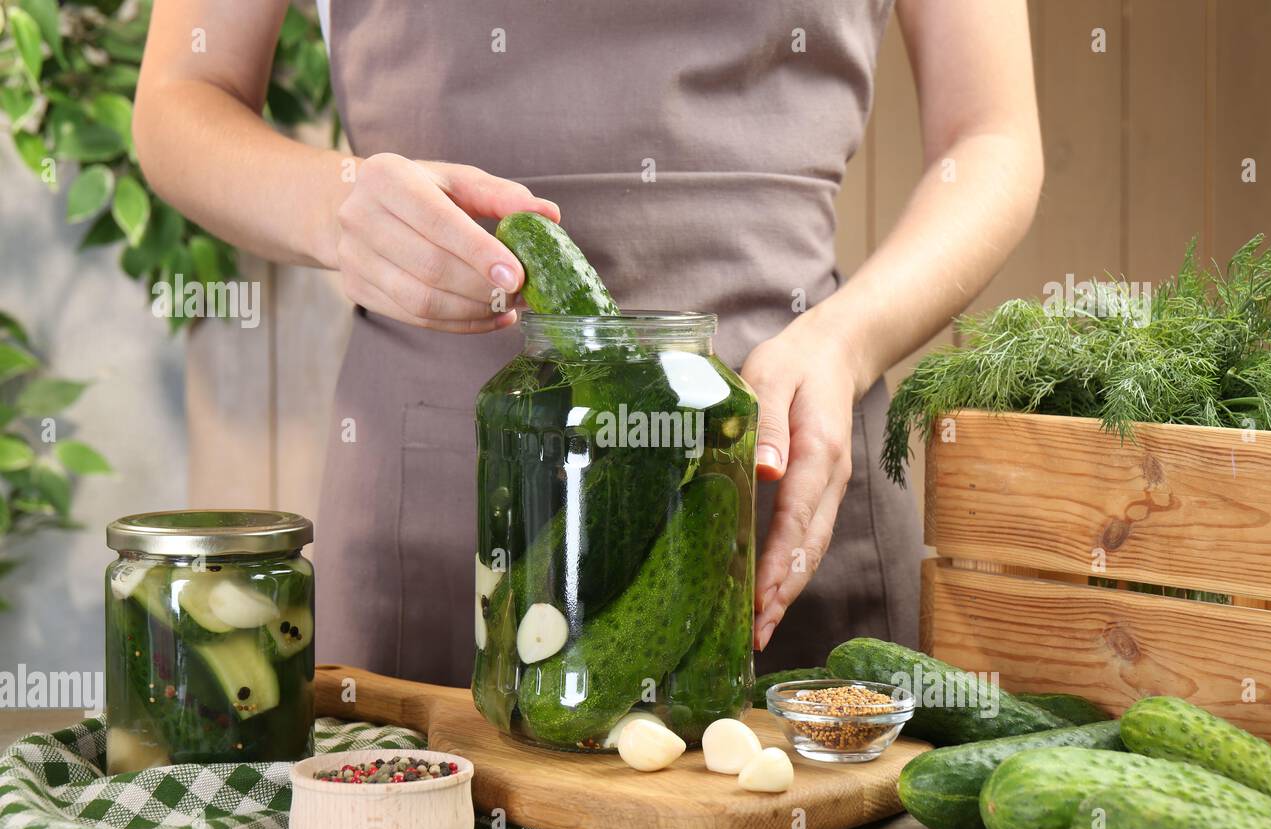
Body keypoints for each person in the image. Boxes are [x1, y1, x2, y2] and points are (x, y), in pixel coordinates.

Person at [133, 0, 1043, 683]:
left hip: (782, 476)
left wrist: (848, 341)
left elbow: (991, 133)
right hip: (444, 513)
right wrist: (335, 208)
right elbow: (180, 99)